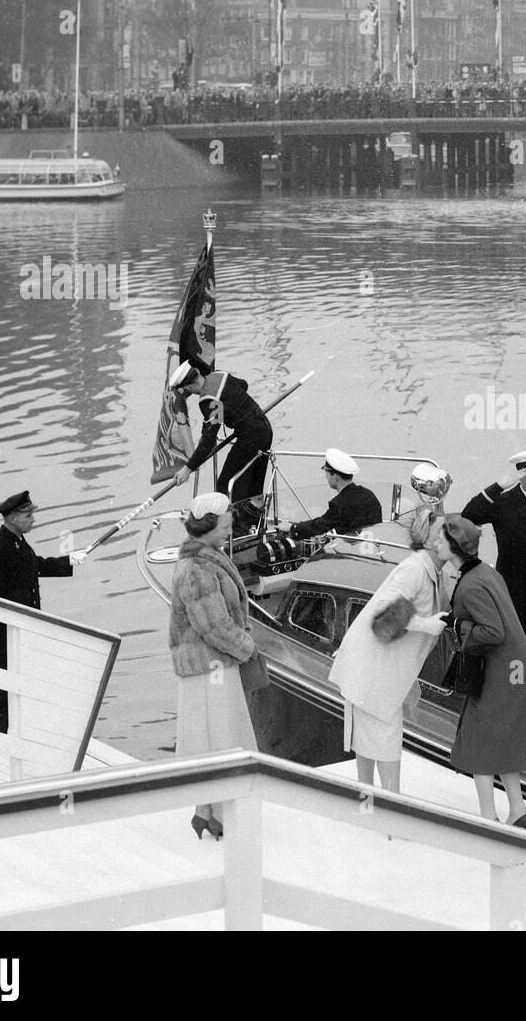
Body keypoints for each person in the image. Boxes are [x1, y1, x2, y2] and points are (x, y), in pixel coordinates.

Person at [436, 514, 526, 827]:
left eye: (440, 540)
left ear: (455, 548)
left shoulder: (470, 585)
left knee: (477, 741)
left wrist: (458, 625)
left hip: (498, 671)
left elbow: (492, 632)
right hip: (515, 667)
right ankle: (517, 809)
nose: (435, 543)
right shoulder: (486, 572)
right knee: (501, 740)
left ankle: (489, 818)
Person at [328, 507, 447, 793]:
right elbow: (384, 614)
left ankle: (368, 801)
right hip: (374, 669)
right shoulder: (415, 568)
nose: (451, 537)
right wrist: (427, 625)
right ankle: (389, 805)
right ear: (432, 540)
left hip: (383, 669)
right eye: (445, 532)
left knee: (372, 739)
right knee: (384, 738)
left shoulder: (434, 569)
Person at [169, 491, 262, 841]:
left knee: (210, 740)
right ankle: (216, 813)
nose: (229, 530)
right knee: (221, 738)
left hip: (211, 667)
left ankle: (207, 811)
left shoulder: (205, 559)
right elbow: (214, 626)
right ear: (208, 526)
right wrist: (248, 647)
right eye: (225, 525)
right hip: (211, 669)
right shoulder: (198, 570)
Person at [462, 449, 526, 716]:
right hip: (512, 596)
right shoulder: (504, 503)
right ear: (522, 476)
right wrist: (498, 486)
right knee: (511, 657)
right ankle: (507, 709)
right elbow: (469, 515)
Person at [0, 490, 86, 733]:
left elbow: (34, 566)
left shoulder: (16, 541)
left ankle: (17, 730)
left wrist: (68, 561)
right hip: (3, 633)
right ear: (13, 517)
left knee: (22, 681)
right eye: (28, 514)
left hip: (21, 628)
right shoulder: (0, 548)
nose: (33, 518)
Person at [168, 359, 274, 516]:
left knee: (226, 485)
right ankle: (255, 519)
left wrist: (187, 469)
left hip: (251, 438)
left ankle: (236, 528)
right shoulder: (220, 375)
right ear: (197, 372)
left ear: (188, 387)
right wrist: (235, 412)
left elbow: (208, 440)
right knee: (252, 483)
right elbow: (243, 385)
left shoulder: (210, 401)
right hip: (264, 428)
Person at [290, 448, 383, 539]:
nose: (326, 477)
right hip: (370, 545)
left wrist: (293, 528)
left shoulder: (339, 504)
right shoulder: (368, 494)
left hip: (347, 548)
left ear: (336, 476)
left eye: (326, 472)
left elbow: (319, 526)